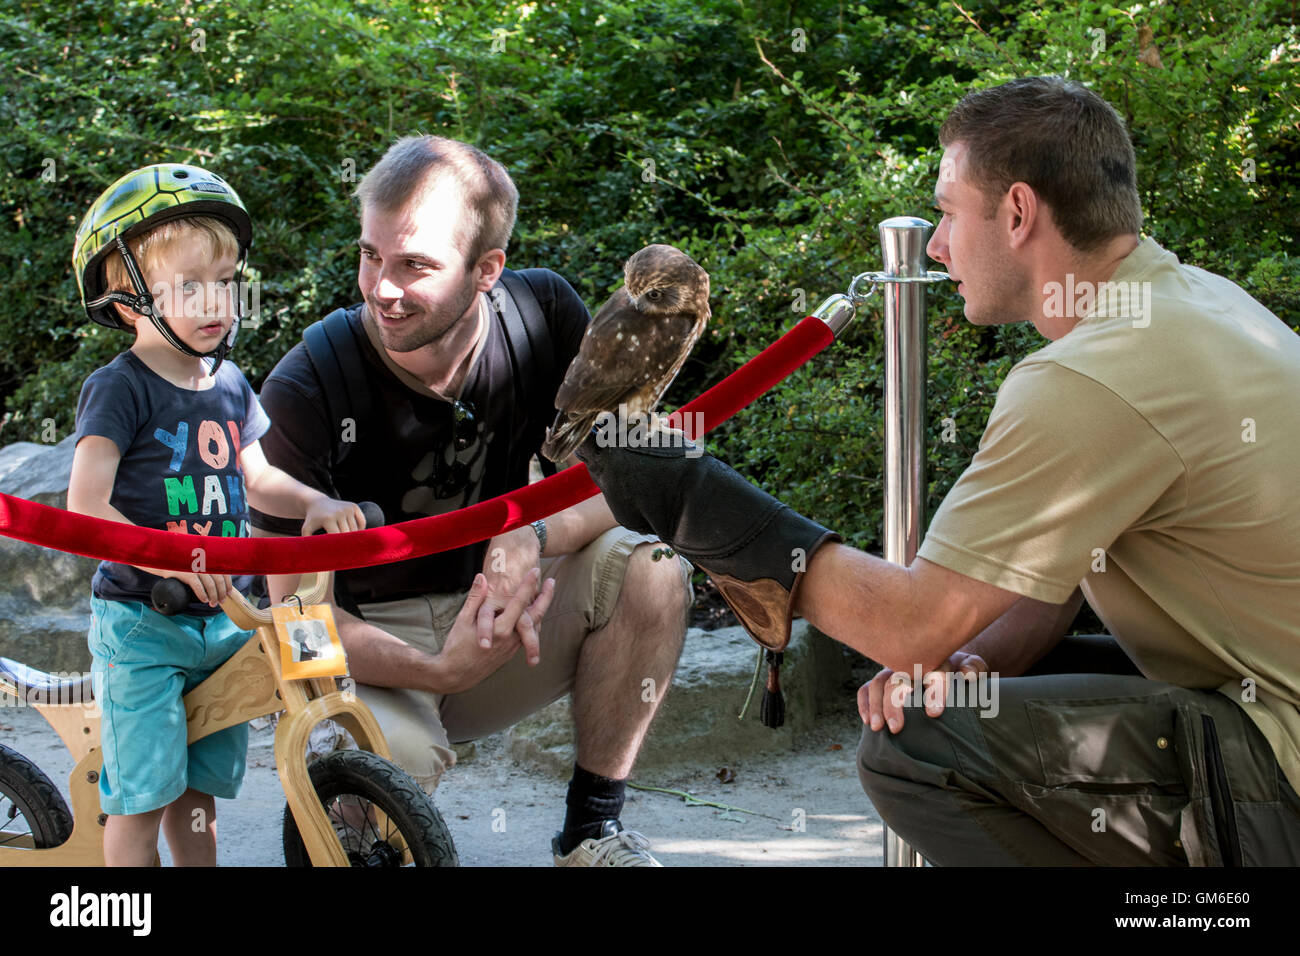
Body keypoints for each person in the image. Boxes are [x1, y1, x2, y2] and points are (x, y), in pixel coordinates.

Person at [576, 76, 1300, 865]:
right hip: (1260, 706)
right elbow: (1046, 581)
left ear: (1018, 213)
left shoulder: (1095, 378)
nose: (934, 246)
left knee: (916, 751)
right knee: (958, 702)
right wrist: (974, 665)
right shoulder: (1191, 304)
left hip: (1282, 766)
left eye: (950, 211)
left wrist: (686, 498)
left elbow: (907, 624)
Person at [250, 136, 691, 867]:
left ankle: (592, 832)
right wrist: (435, 671)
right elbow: (290, 618)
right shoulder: (306, 387)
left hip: (506, 612)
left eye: (414, 266)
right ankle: (346, 786)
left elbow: (636, 479)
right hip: (363, 648)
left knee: (652, 567)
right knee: (382, 791)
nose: (381, 289)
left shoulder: (544, 314)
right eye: (370, 256)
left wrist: (532, 534)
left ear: (487, 270)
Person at [67, 163, 364, 866]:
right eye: (192, 285)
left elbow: (256, 477)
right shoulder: (118, 390)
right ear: (130, 301)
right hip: (145, 624)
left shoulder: (230, 383)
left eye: (227, 283)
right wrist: (169, 558)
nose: (219, 301)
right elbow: (85, 506)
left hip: (226, 620)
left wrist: (316, 503)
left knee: (198, 796)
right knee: (142, 796)